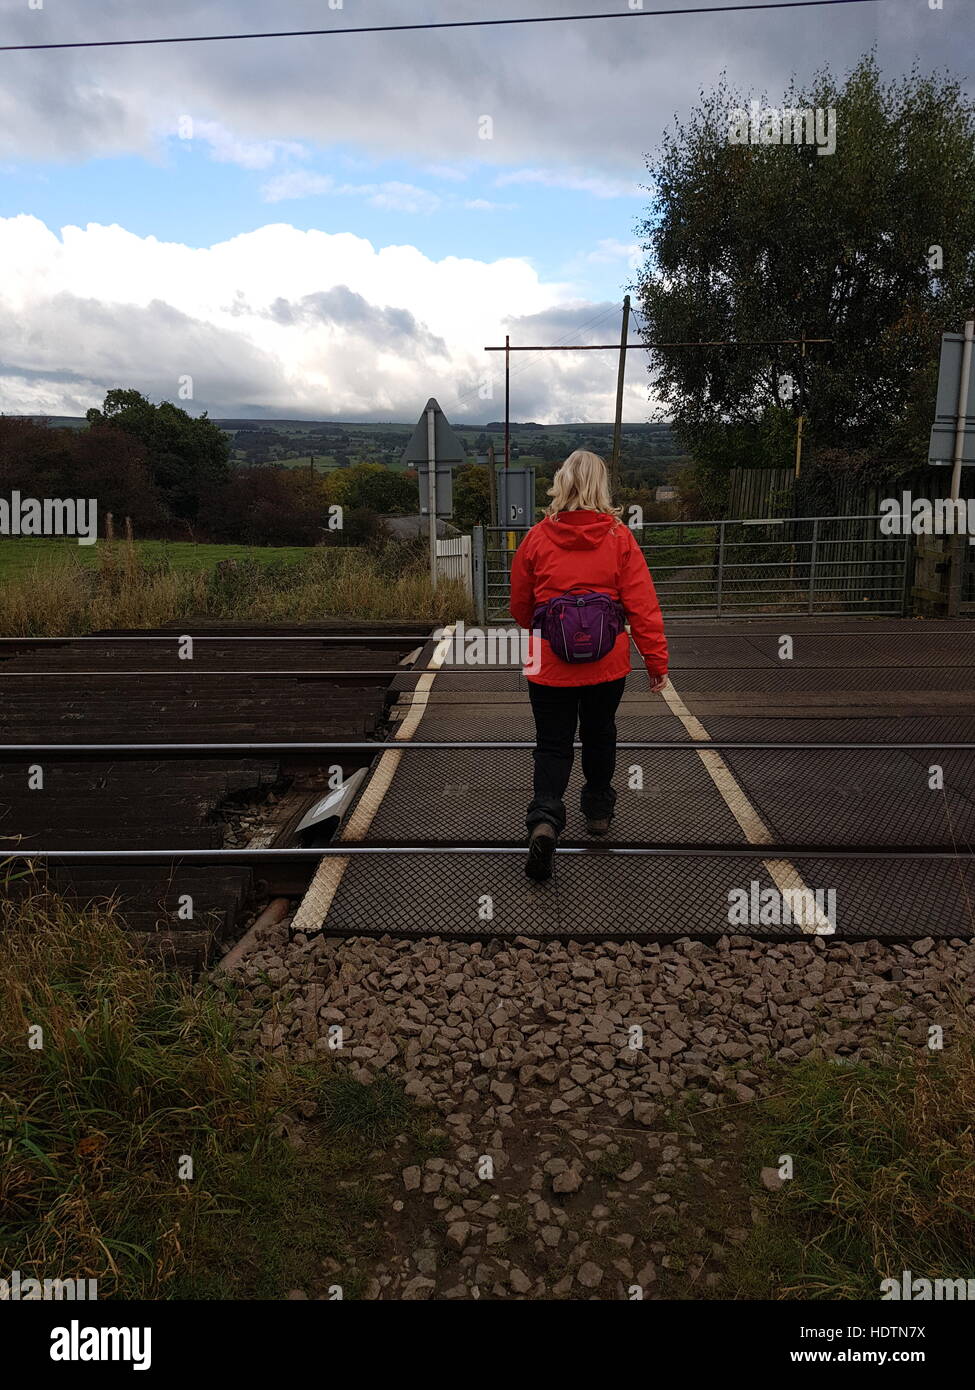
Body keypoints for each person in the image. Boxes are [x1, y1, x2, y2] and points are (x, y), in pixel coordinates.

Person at [509, 450, 669, 882]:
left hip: (548, 663)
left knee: (552, 742)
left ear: (561, 483)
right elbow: (642, 606)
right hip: (608, 662)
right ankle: (598, 812)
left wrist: (544, 627)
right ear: (602, 487)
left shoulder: (537, 538)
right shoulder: (620, 538)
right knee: (600, 733)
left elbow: (520, 606)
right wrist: (656, 661)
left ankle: (544, 820)